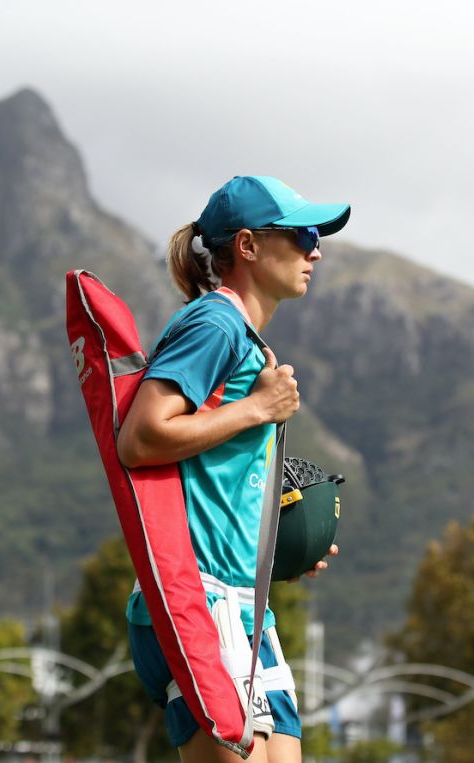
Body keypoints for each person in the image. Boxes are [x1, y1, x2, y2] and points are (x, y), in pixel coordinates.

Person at [116, 176, 350, 762]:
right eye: (301, 235)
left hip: (243, 601)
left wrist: (282, 549)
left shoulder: (242, 338)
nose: (314, 249)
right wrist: (257, 409)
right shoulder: (214, 324)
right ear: (247, 246)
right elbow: (141, 438)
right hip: (199, 599)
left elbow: (218, 481)